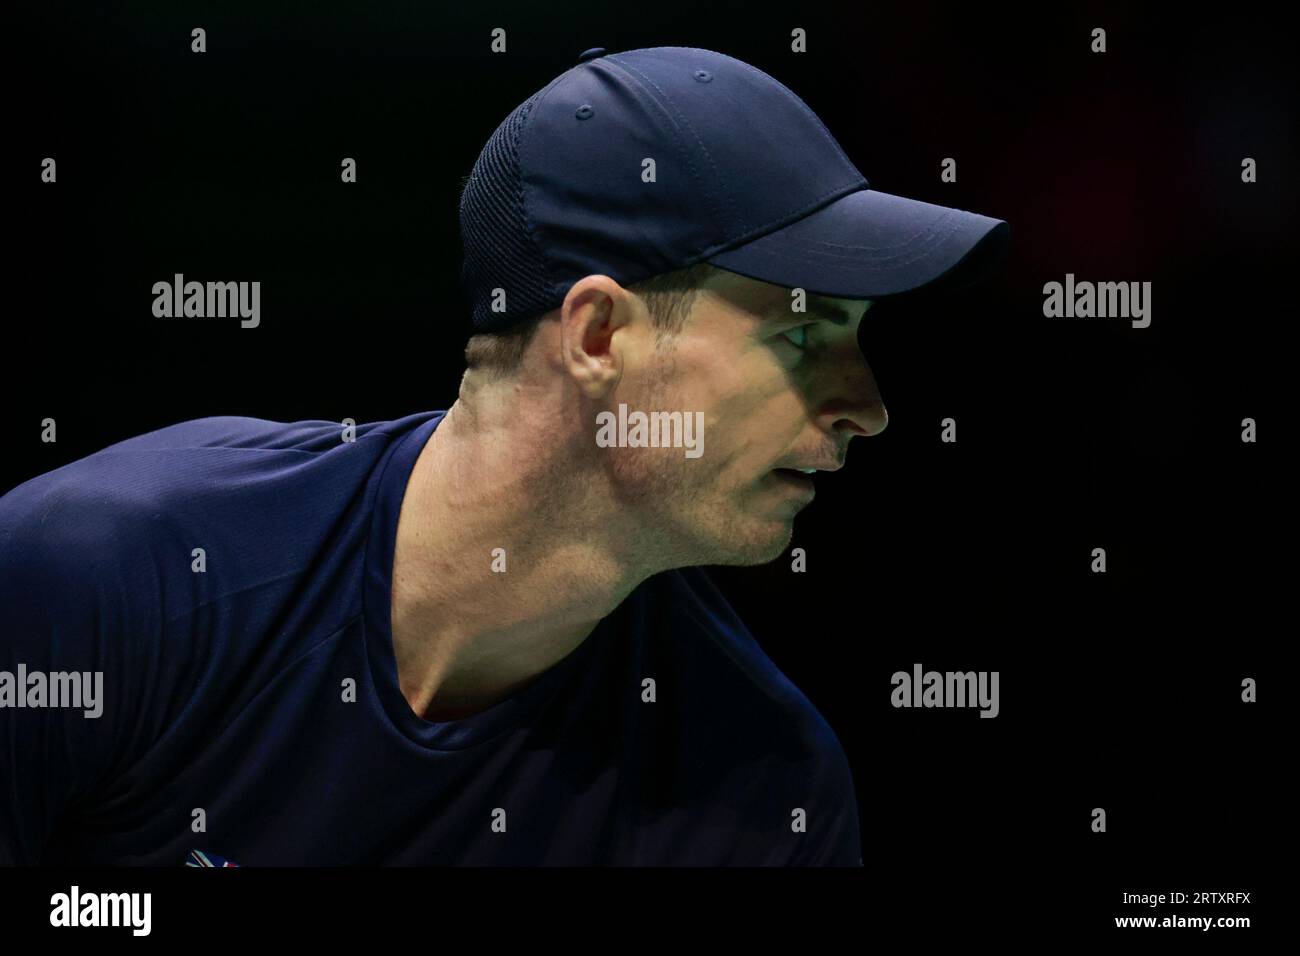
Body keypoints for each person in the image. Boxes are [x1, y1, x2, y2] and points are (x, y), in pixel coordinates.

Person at [0, 46, 1007, 865]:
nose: (866, 408)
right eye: (802, 334)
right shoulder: (108, 573)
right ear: (599, 337)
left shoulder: (767, 796)